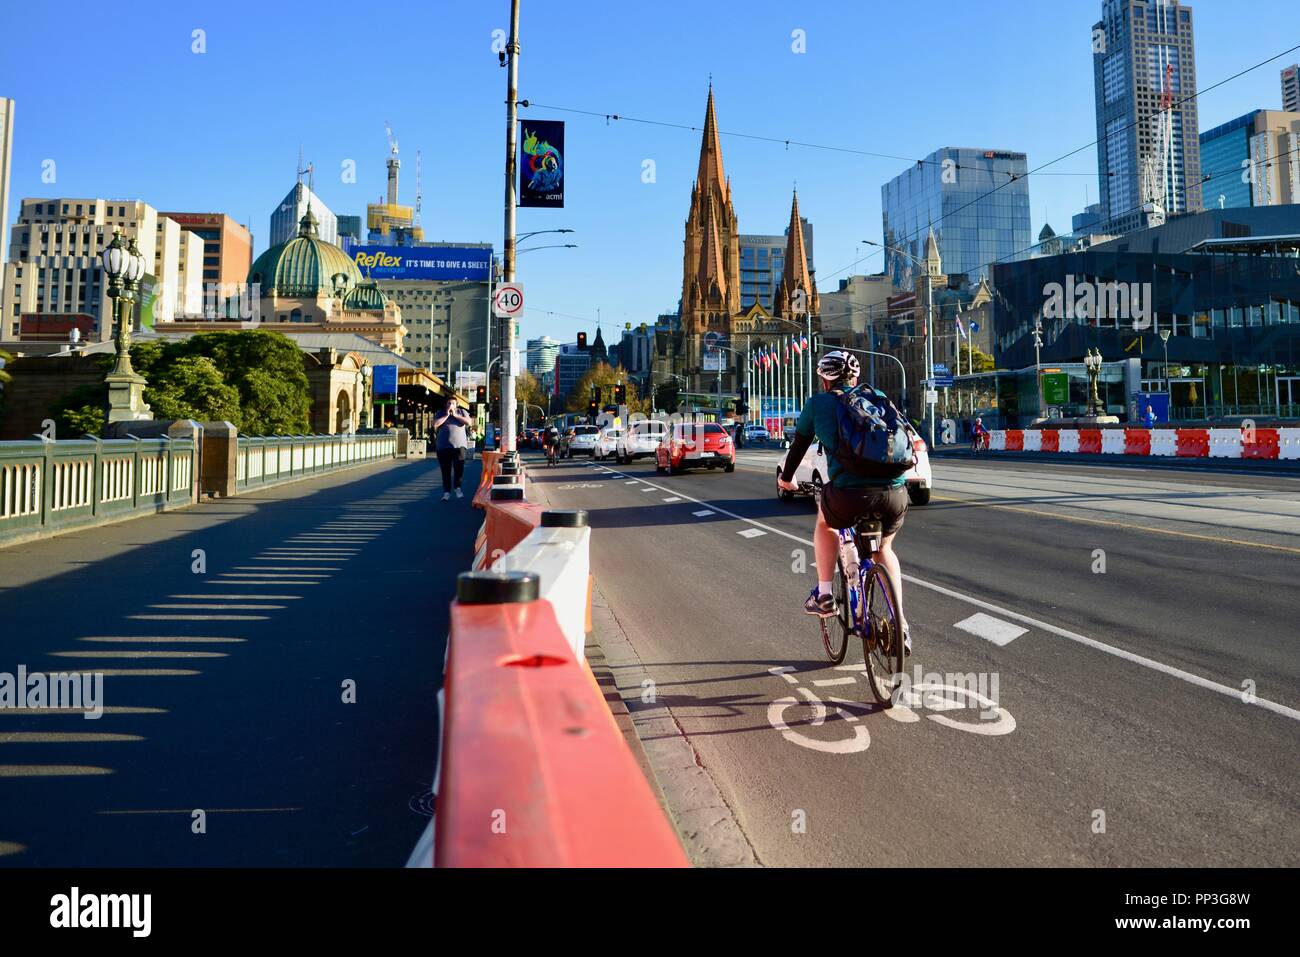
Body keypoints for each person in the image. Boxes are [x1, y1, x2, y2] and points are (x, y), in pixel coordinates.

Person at [777, 351, 912, 654]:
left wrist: (786, 480)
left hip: (849, 495)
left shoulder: (818, 403)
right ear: (855, 377)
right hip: (895, 493)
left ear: (825, 378)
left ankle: (824, 595)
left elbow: (798, 448)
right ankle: (900, 624)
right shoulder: (876, 396)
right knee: (885, 549)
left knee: (826, 524)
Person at [433, 397, 472, 501]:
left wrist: (455, 415)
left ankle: (457, 487)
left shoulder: (462, 412)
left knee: (459, 467)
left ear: (457, 405)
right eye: (449, 403)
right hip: (443, 446)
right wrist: (447, 415)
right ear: (446, 404)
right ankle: (446, 492)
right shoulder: (441, 413)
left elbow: (468, 422)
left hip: (459, 446)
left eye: (453, 403)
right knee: (445, 470)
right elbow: (436, 424)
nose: (451, 405)